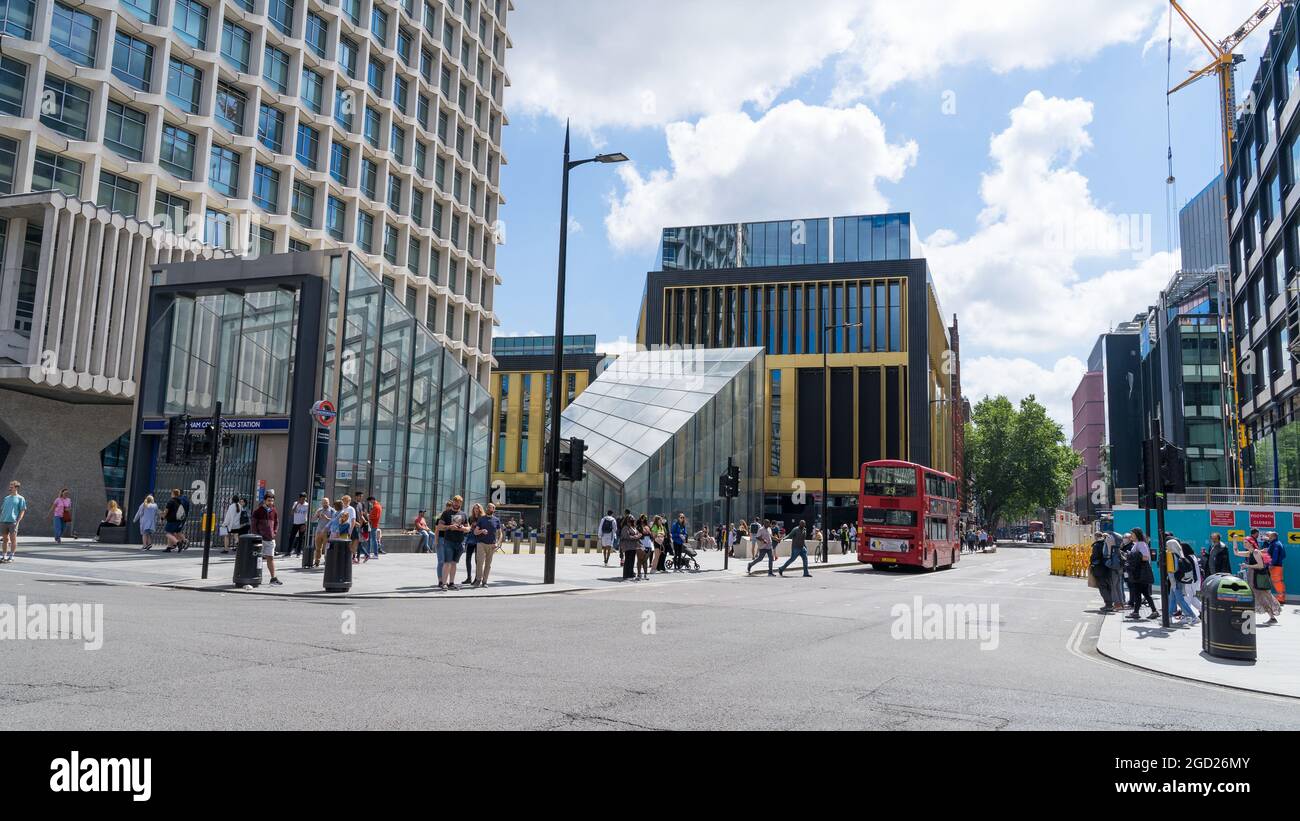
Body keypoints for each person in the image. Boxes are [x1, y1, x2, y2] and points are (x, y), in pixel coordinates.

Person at [1235, 536, 1281, 624]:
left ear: (1251, 543)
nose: (1244, 544)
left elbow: (1260, 565)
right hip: (1253, 577)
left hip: (1257, 578)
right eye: (1244, 542)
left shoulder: (1255, 552)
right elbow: (1236, 552)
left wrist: (1247, 566)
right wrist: (1234, 540)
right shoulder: (1250, 552)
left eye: (1246, 542)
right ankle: (1271, 617)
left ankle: (1272, 617)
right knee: (1260, 597)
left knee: (1263, 597)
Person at [1163, 534, 1200, 626]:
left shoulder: (1172, 556)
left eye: (1168, 545)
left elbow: (1172, 570)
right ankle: (1169, 617)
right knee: (1172, 599)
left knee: (1180, 600)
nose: (1167, 547)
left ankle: (1193, 616)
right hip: (1178, 580)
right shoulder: (1180, 555)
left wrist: (1172, 581)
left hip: (1175, 581)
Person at [437, 495, 469, 591]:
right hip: (448, 541)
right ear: (453, 503)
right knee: (447, 563)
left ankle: (451, 583)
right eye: (455, 502)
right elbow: (439, 526)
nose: (456, 504)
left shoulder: (463, 514)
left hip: (459, 542)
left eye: (458, 502)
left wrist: (463, 529)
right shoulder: (446, 513)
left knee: (454, 563)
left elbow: (468, 528)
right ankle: (444, 583)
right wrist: (450, 527)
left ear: (461, 503)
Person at [251, 491, 282, 586]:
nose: (271, 503)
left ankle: (273, 578)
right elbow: (253, 525)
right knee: (256, 558)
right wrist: (257, 536)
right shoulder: (258, 512)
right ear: (264, 501)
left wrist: (274, 532)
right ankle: (253, 577)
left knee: (270, 558)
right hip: (260, 539)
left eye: (272, 501)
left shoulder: (274, 511)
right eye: (269, 501)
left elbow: (276, 523)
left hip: (270, 539)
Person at [1126, 528, 1157, 620]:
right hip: (1138, 572)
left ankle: (1150, 611)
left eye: (1132, 534)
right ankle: (1138, 612)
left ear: (1137, 534)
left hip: (1140, 573)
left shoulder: (1141, 544)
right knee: (1141, 593)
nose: (1131, 536)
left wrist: (1132, 556)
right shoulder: (1138, 544)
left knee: (1141, 593)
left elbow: (1145, 557)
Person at [473, 503, 502, 588]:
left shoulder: (497, 520)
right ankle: (478, 580)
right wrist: (481, 531)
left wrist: (498, 543)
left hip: (492, 545)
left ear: (494, 509)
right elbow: (475, 532)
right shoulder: (481, 519)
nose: (489, 508)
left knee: (488, 564)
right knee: (480, 562)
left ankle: (484, 581)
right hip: (481, 543)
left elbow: (500, 534)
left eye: (491, 507)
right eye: (488, 507)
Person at [1, 480, 27, 562]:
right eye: (10, 485)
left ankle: (11, 556)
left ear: (16, 487)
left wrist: (18, 521)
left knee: (13, 539)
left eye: (12, 486)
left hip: (13, 522)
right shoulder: (6, 498)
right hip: (3, 521)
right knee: (5, 539)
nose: (10, 487)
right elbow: (3, 509)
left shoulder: (20, 498)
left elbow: (22, 510)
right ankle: (3, 555)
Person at [1089, 531, 1114, 611]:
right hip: (1108, 568)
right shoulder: (1107, 544)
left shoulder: (1097, 545)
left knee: (1102, 586)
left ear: (1096, 537)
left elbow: (1094, 557)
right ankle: (1110, 603)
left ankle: (1108, 604)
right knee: (1108, 586)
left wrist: (1092, 564)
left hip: (1099, 569)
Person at [1266, 531, 1287, 605]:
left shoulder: (1275, 544)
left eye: (1270, 536)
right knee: (1279, 581)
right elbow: (1283, 555)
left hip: (1275, 566)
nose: (1269, 537)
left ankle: (1281, 598)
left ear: (1274, 536)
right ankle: (1282, 597)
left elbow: (1275, 555)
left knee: (1277, 581)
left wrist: (1272, 564)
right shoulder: (1278, 543)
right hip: (1278, 566)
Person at [312, 497, 334, 567]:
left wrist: (327, 518)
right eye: (323, 503)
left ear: (329, 502)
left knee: (326, 548)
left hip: (327, 532)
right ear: (321, 503)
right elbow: (313, 519)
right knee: (318, 548)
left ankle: (326, 561)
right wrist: (317, 515)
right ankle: (317, 561)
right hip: (319, 531)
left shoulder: (332, 510)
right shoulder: (319, 510)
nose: (325, 504)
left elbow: (334, 521)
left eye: (326, 502)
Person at [464, 503, 482, 585]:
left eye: (477, 508)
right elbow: (468, 528)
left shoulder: (482, 518)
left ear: (480, 509)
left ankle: (477, 578)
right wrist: (470, 527)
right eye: (474, 508)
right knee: (468, 559)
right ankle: (469, 578)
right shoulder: (470, 518)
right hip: (471, 539)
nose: (476, 510)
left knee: (477, 560)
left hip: (478, 540)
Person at [618, 514, 639, 581]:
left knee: (632, 560)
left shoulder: (633, 527)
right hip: (627, 546)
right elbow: (627, 536)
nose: (632, 522)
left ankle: (630, 573)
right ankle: (626, 575)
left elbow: (638, 533)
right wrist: (635, 537)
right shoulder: (625, 527)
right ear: (627, 521)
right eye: (630, 520)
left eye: (633, 520)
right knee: (628, 560)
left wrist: (637, 535)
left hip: (633, 546)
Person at [289, 493, 310, 558]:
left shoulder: (307, 505)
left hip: (302, 523)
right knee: (292, 537)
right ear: (299, 498)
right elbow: (292, 512)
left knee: (301, 538)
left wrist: (305, 524)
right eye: (302, 498)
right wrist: (297, 504)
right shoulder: (295, 503)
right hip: (295, 523)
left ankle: (298, 552)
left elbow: (308, 514)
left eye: (304, 498)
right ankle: (288, 551)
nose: (303, 500)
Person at [636, 514, 652, 580]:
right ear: (640, 518)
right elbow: (636, 536)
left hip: (648, 545)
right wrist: (639, 544)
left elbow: (651, 536)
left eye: (645, 518)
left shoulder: (648, 526)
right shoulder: (637, 527)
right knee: (639, 560)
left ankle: (645, 575)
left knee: (645, 561)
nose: (643, 519)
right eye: (642, 518)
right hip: (640, 545)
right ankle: (639, 574)